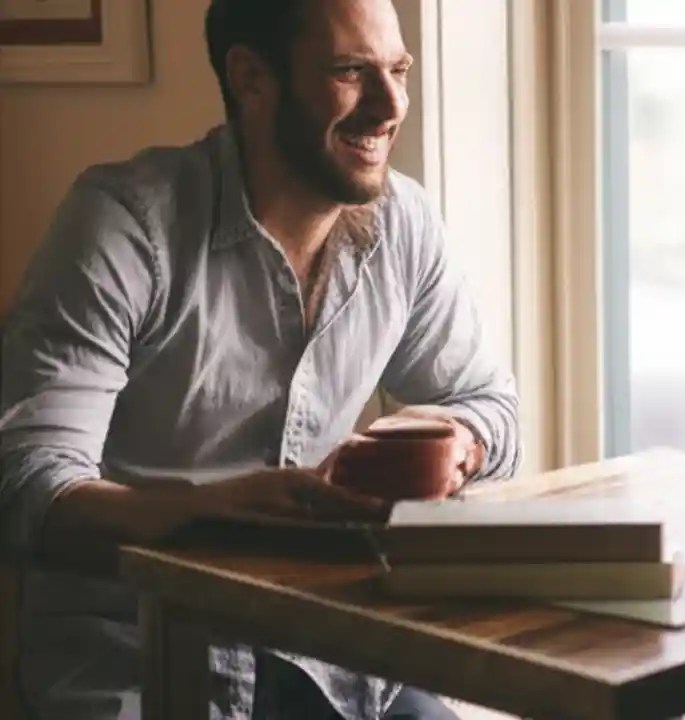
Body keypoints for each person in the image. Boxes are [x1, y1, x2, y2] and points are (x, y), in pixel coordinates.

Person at [0, 0, 520, 717]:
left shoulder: (407, 224)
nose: (391, 105)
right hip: (137, 657)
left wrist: (461, 444)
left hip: (338, 658)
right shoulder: (124, 226)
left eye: (397, 70)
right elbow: (27, 493)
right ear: (250, 78)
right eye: (350, 73)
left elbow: (489, 404)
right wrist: (214, 516)